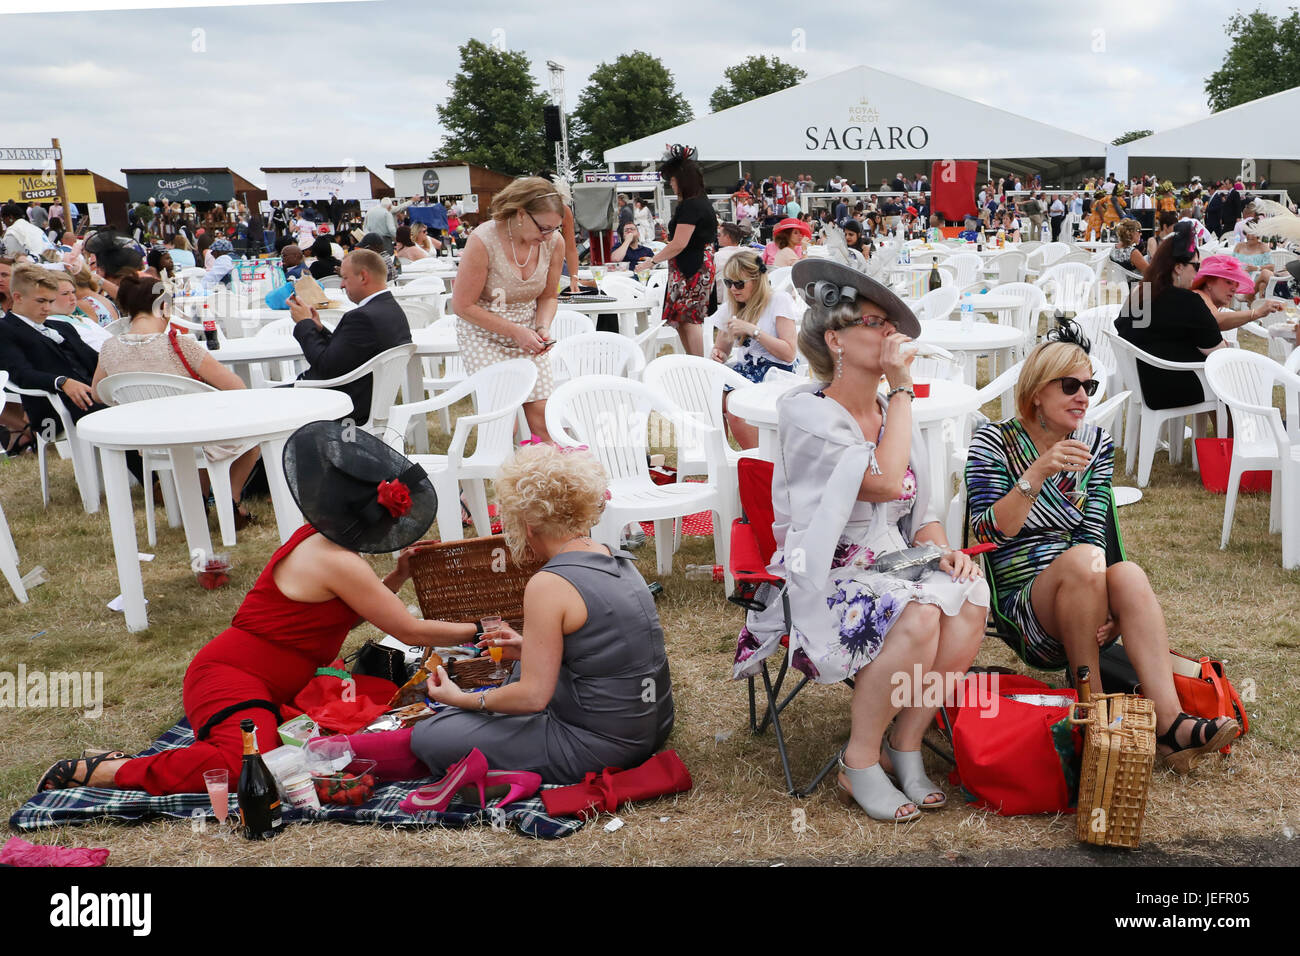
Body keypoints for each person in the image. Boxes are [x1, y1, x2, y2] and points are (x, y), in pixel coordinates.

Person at [35, 422, 484, 794]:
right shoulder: (337, 560)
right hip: (230, 678)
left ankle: (145, 761)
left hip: (261, 685)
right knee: (240, 768)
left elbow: (359, 609)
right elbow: (407, 629)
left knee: (284, 754)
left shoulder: (324, 545)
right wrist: (483, 627)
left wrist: (400, 575)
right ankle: (105, 771)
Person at [736, 258, 989, 822]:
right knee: (921, 616)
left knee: (971, 597)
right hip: (824, 574)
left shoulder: (889, 411)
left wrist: (944, 548)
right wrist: (902, 390)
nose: (890, 335)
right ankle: (860, 759)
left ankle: (906, 743)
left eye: (889, 325)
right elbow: (883, 484)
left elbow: (917, 511)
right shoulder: (807, 411)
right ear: (835, 339)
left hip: (895, 564)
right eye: (875, 323)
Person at [964, 328, 1239, 773]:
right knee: (1080, 561)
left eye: (1088, 387)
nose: (1083, 397)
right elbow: (989, 532)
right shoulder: (994, 441)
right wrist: (1037, 472)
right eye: (1069, 386)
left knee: (1126, 572)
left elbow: (1095, 530)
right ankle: (1093, 718)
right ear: (1036, 392)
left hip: (1083, 586)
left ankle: (1170, 727)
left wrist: (1104, 604)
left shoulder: (1095, 444)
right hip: (1026, 605)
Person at [356, 444, 676, 785]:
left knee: (433, 735)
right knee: (520, 667)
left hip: (601, 748)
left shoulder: (549, 583)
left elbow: (533, 697)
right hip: (651, 727)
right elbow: (605, 653)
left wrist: (463, 699)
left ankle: (355, 753)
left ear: (528, 523)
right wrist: (528, 648)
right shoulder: (616, 558)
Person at [91, 274, 262, 526]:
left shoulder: (109, 348)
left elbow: (98, 393)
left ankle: (199, 504)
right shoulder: (179, 346)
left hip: (148, 440)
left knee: (197, 434)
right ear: (164, 307)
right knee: (251, 439)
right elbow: (236, 387)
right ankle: (231, 500)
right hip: (193, 434)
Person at [452, 176, 562, 441]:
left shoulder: (553, 242)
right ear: (522, 214)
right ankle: (501, 479)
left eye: (554, 229)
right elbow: (462, 305)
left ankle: (548, 480)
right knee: (503, 424)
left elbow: (549, 296)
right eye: (544, 228)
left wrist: (542, 327)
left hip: (528, 337)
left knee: (544, 420)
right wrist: (514, 332)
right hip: (484, 335)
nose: (548, 236)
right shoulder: (483, 240)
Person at [288, 248, 412, 423]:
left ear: (363, 276)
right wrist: (319, 328)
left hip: (343, 404)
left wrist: (304, 324)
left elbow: (326, 366)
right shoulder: (391, 308)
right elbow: (348, 353)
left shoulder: (362, 316)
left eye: (345, 278)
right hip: (365, 399)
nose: (342, 285)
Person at [0, 265, 112, 444]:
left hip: (92, 394)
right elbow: (22, 374)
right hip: (54, 408)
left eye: (50, 302)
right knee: (113, 420)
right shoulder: (5, 329)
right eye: (41, 301)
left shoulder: (62, 327)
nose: (47, 308)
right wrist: (62, 382)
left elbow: (95, 359)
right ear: (18, 297)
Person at [1115, 222, 1221, 410]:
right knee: (1229, 380)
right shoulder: (1189, 301)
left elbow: (1125, 331)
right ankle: (1235, 438)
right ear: (1179, 267)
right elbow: (1217, 352)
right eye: (1196, 266)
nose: (1197, 273)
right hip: (1175, 386)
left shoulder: (1140, 292)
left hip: (1141, 382)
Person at [708, 250, 798, 448]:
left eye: (739, 283)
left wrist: (753, 331)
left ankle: (759, 462)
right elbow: (721, 350)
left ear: (757, 281)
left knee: (737, 405)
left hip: (776, 371)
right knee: (709, 397)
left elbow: (789, 353)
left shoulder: (778, 301)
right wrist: (718, 354)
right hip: (747, 369)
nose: (733, 289)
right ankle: (723, 458)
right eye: (728, 283)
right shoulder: (733, 305)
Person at [636, 146, 717, 357]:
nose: (671, 184)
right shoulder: (698, 202)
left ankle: (699, 365)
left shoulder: (691, 205)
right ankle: (694, 362)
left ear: (683, 180)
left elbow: (679, 243)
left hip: (693, 266)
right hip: (692, 264)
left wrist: (651, 262)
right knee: (683, 320)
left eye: (672, 180)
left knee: (689, 319)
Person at [1191, 255, 1283, 330]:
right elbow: (1216, 320)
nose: (1234, 289)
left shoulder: (1209, 301)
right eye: (1228, 282)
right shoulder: (1198, 295)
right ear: (1209, 282)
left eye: (1236, 285)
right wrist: (1257, 313)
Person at [47, 270, 111, 351]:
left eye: (73, 292)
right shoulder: (50, 325)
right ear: (47, 297)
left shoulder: (84, 320)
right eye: (65, 293)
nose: (73, 297)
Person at [1232, 227, 1278, 297]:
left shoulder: (1263, 247)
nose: (1250, 236)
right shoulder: (1239, 246)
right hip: (1238, 278)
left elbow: (1272, 267)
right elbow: (1231, 262)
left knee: (1262, 284)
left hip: (1256, 279)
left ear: (1258, 234)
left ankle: (1250, 299)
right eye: (1248, 233)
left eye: (1253, 233)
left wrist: (1256, 268)